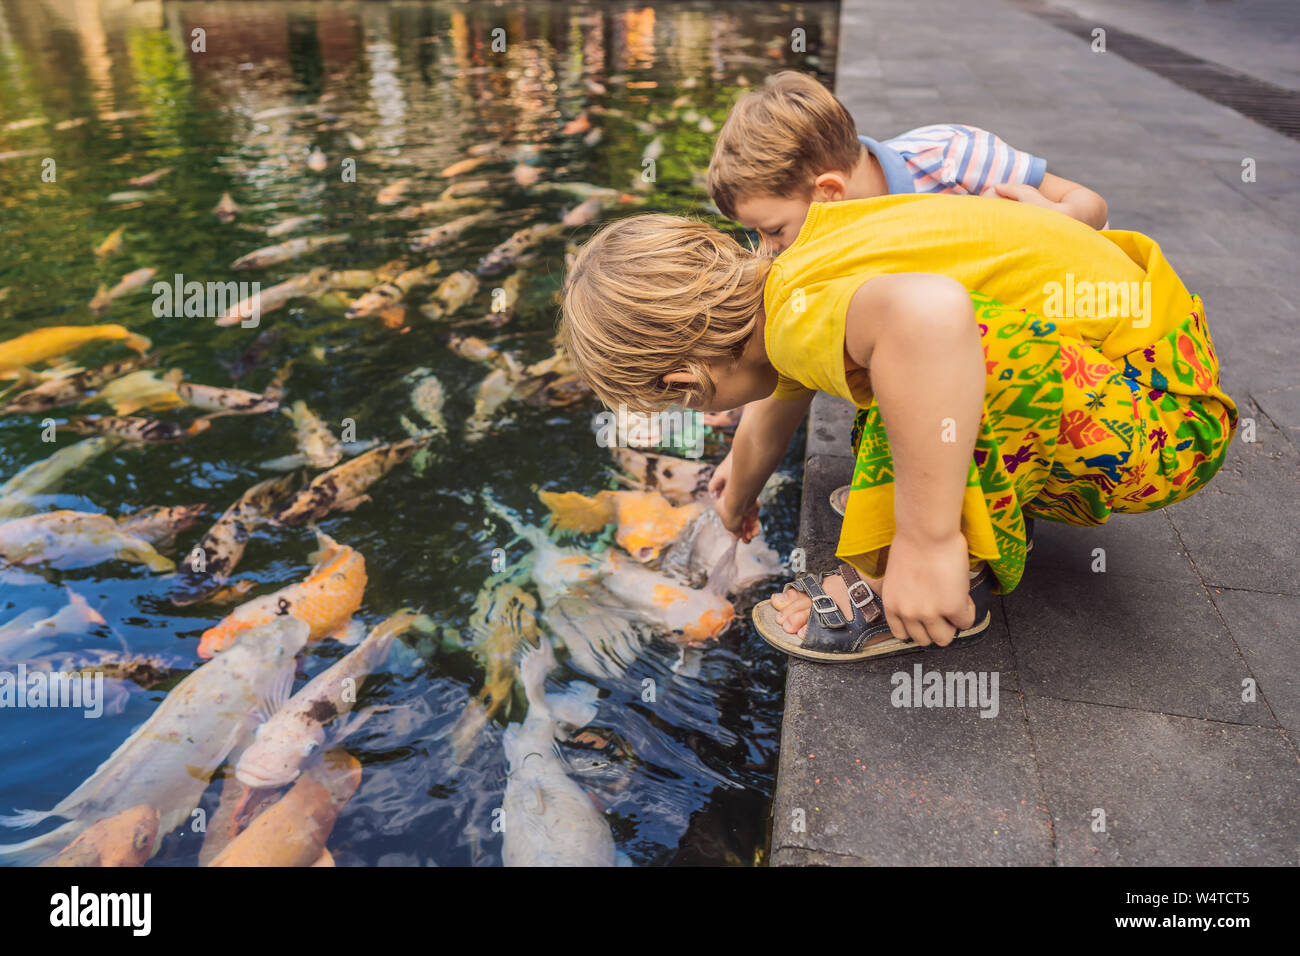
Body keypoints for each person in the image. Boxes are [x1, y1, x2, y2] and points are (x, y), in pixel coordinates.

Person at [557, 194, 1235, 662]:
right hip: (1159, 370)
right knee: (897, 381)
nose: (703, 416)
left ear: (683, 382)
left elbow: (931, 318)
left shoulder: (795, 321)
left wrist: (924, 537)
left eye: (687, 404)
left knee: (917, 369)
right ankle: (965, 514)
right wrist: (735, 497)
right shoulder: (796, 268)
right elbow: (785, 382)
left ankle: (922, 579)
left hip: (1165, 434)